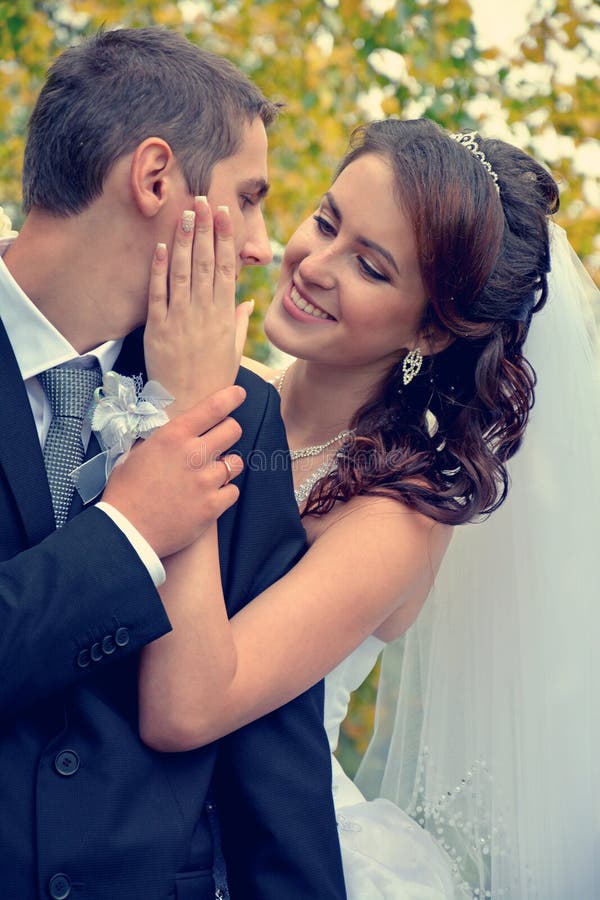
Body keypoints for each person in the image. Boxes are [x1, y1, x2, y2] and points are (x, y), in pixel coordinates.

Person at [138, 117, 600, 899]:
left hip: (254, 856)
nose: (313, 264)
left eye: (370, 266)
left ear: (431, 326)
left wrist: (185, 417)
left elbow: (187, 707)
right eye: (324, 220)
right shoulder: (231, 383)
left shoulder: (395, 515)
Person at [0, 27, 347, 900]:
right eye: (252, 197)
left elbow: (276, 760)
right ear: (157, 179)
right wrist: (128, 534)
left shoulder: (242, 407)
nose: (267, 246)